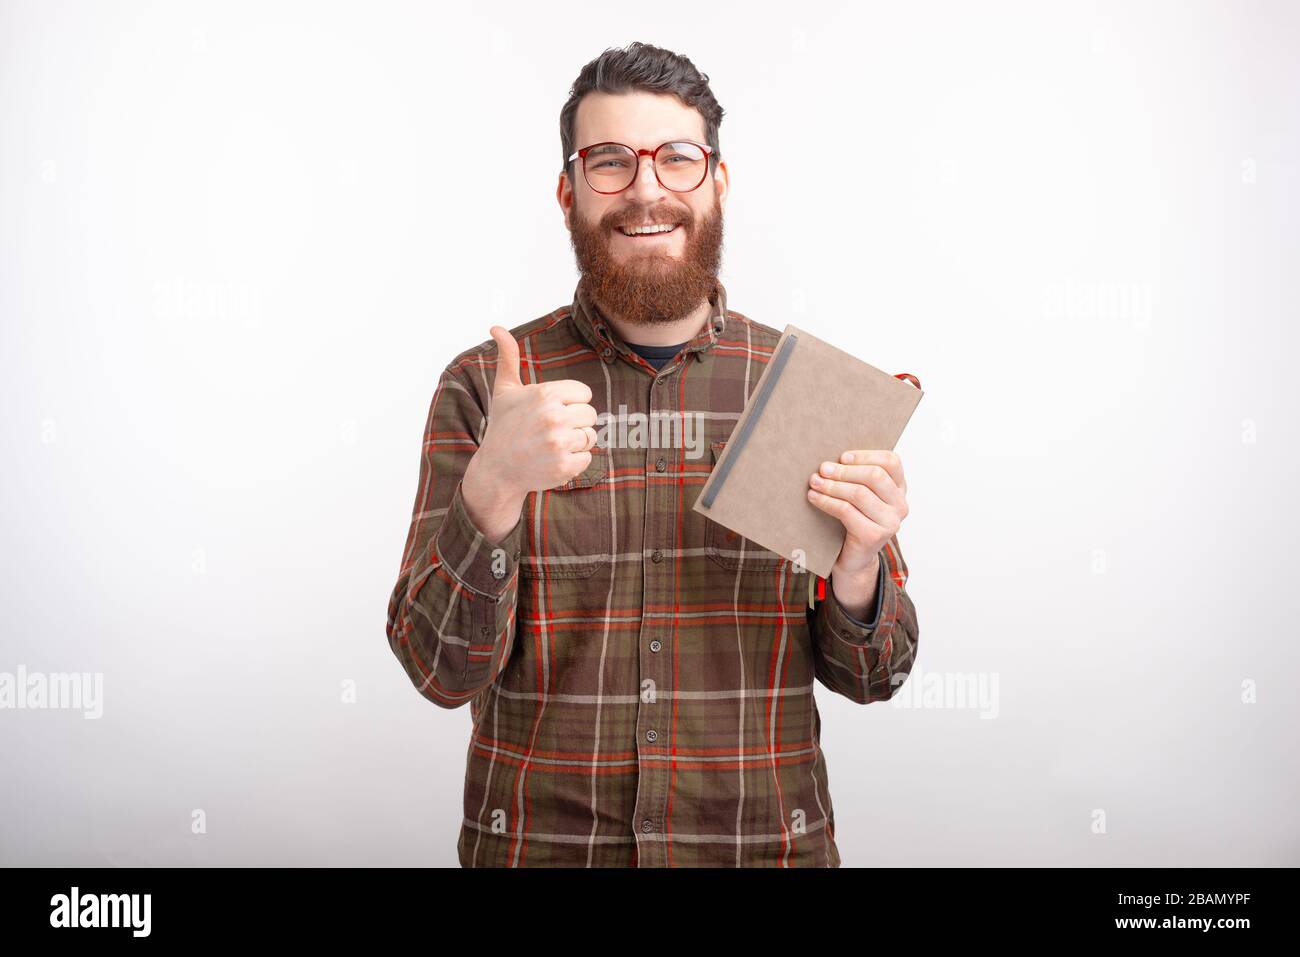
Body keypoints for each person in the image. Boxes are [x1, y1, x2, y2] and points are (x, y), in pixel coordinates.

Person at [385, 41, 919, 867]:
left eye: (677, 158)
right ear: (568, 193)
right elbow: (437, 670)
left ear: (719, 182)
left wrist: (857, 569)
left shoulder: (801, 392)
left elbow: (875, 676)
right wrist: (492, 488)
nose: (646, 190)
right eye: (609, 162)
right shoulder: (485, 389)